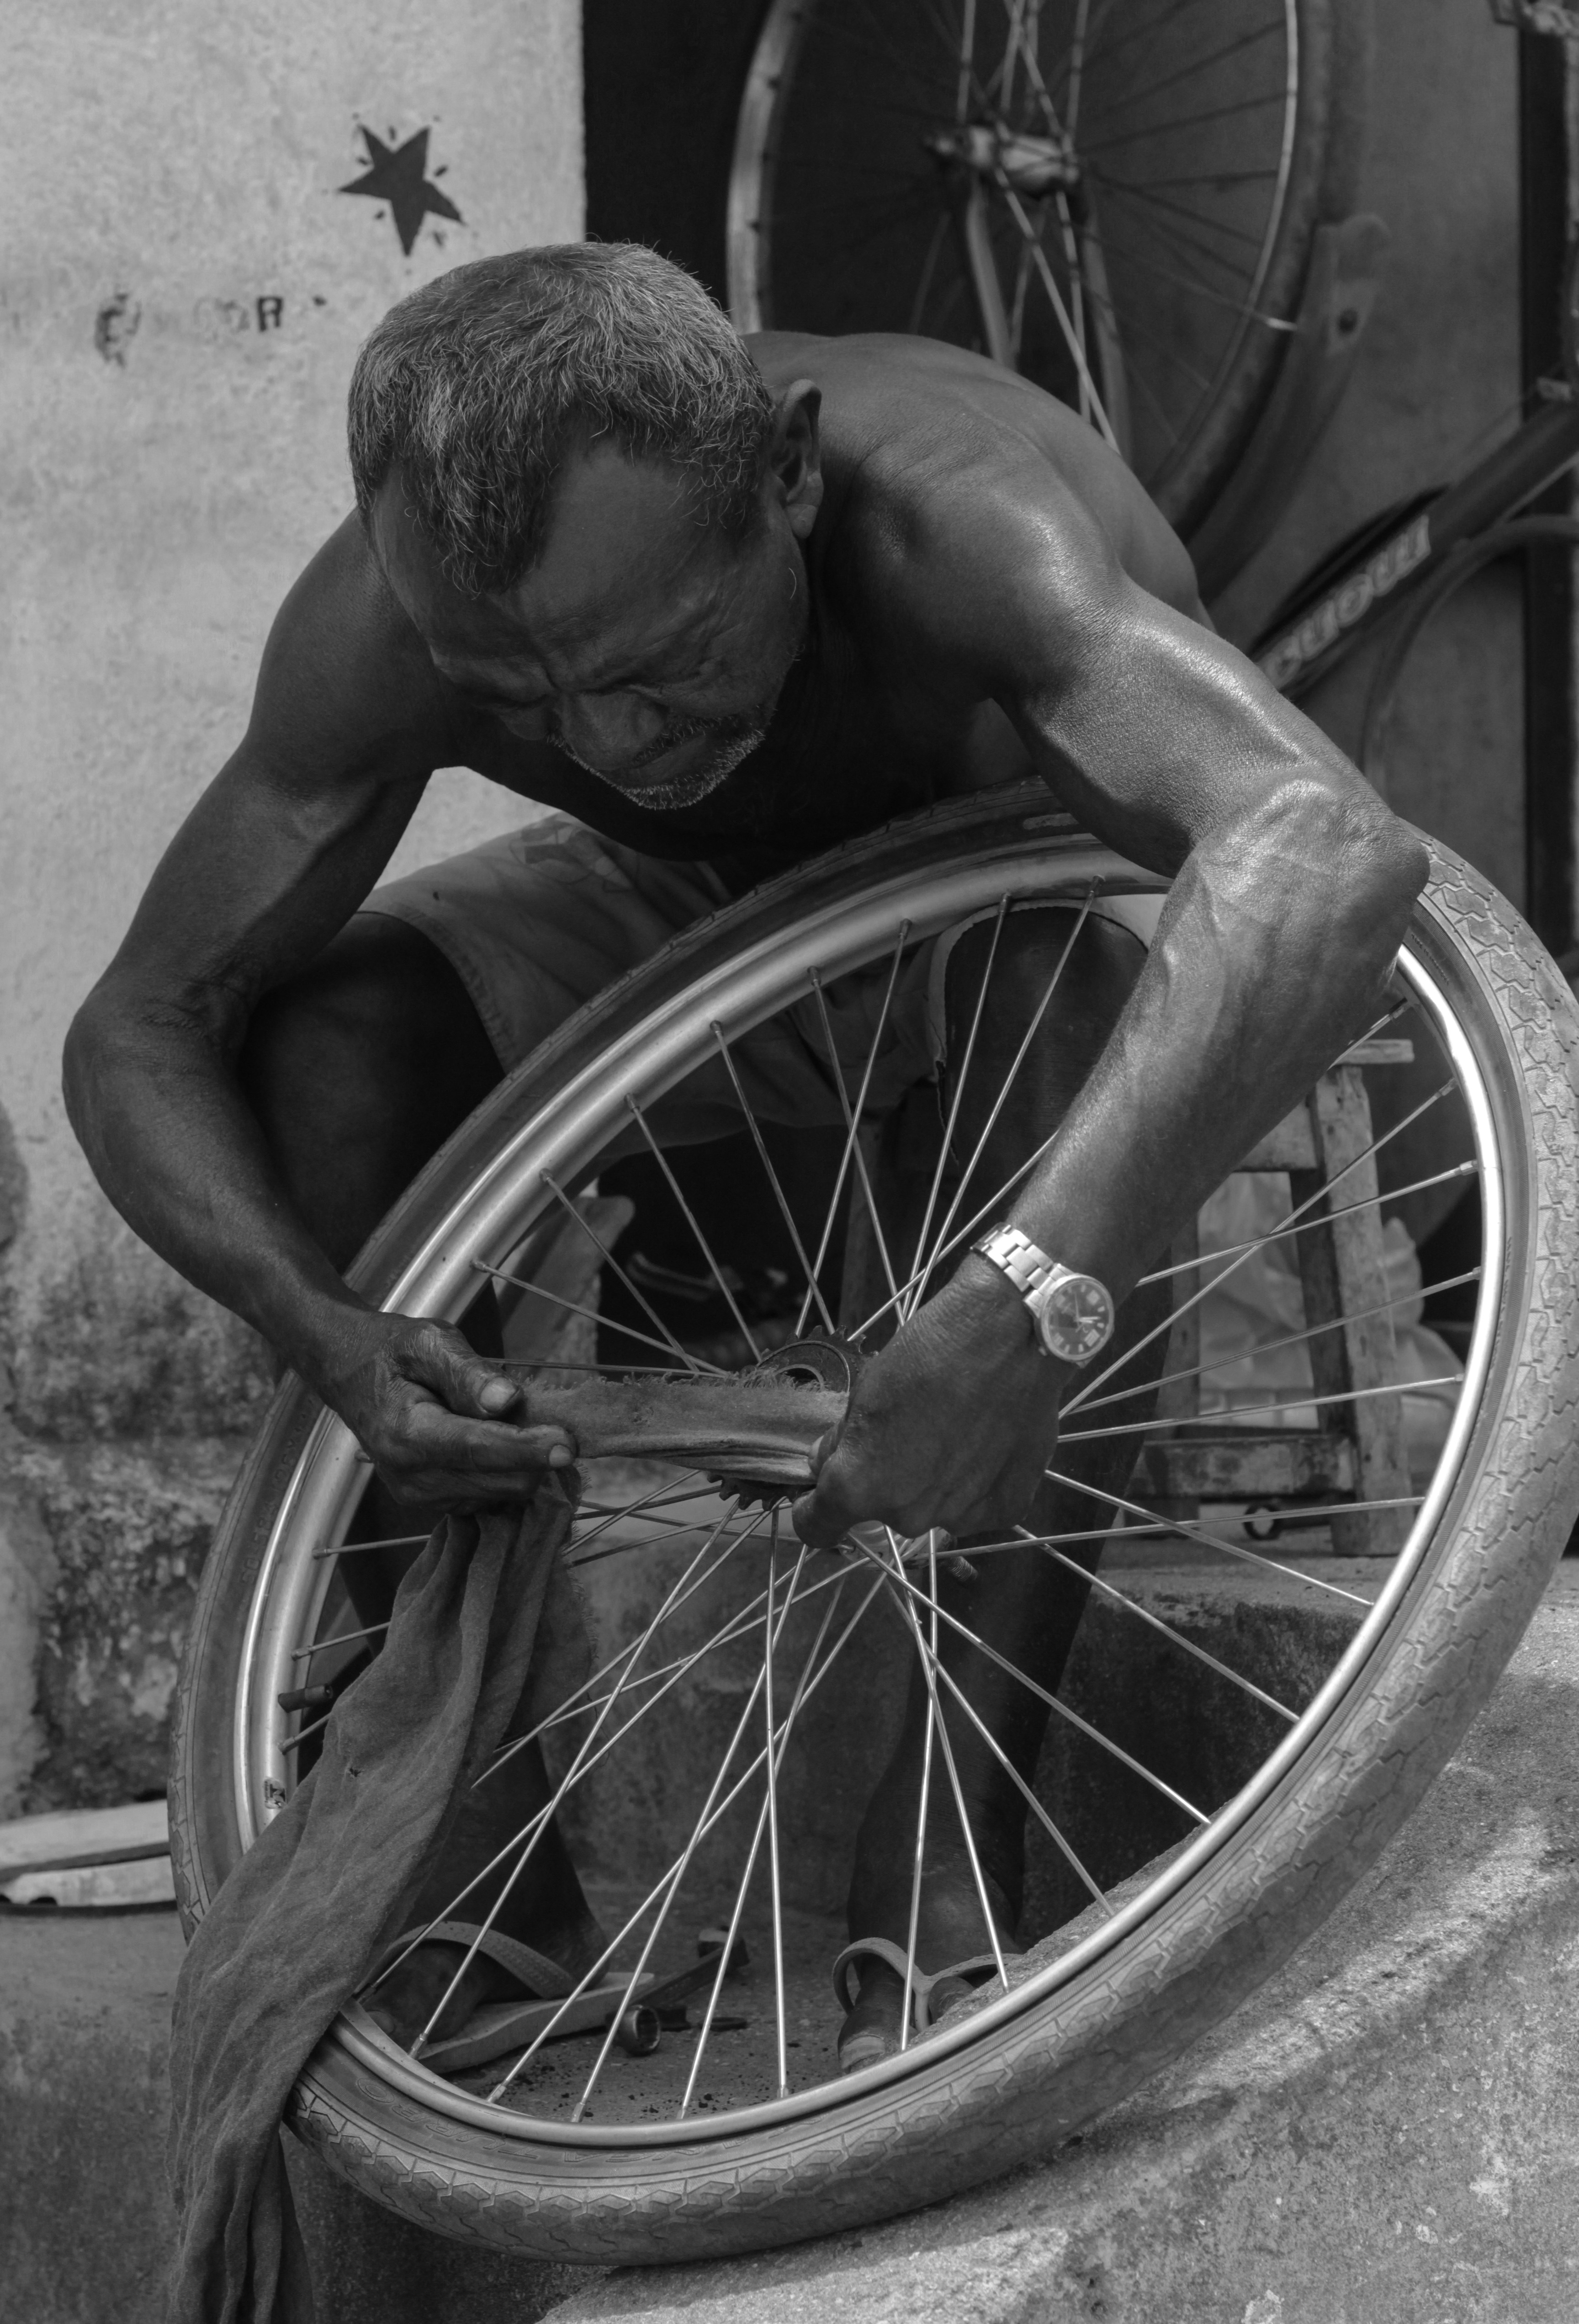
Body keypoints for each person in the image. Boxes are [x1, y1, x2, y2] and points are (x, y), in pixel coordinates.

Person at [63, 244, 1426, 2069]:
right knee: (325, 1043)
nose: (605, 736)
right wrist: (319, 1331)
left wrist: (1021, 1302)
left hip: (999, 868)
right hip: (671, 920)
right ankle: (478, 1852)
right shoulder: (401, 623)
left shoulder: (955, 522)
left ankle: (956, 1854)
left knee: (1066, 1008)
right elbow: (138, 1025)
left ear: (785, 475)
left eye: (647, 668)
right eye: (521, 704)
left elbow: (1321, 852)